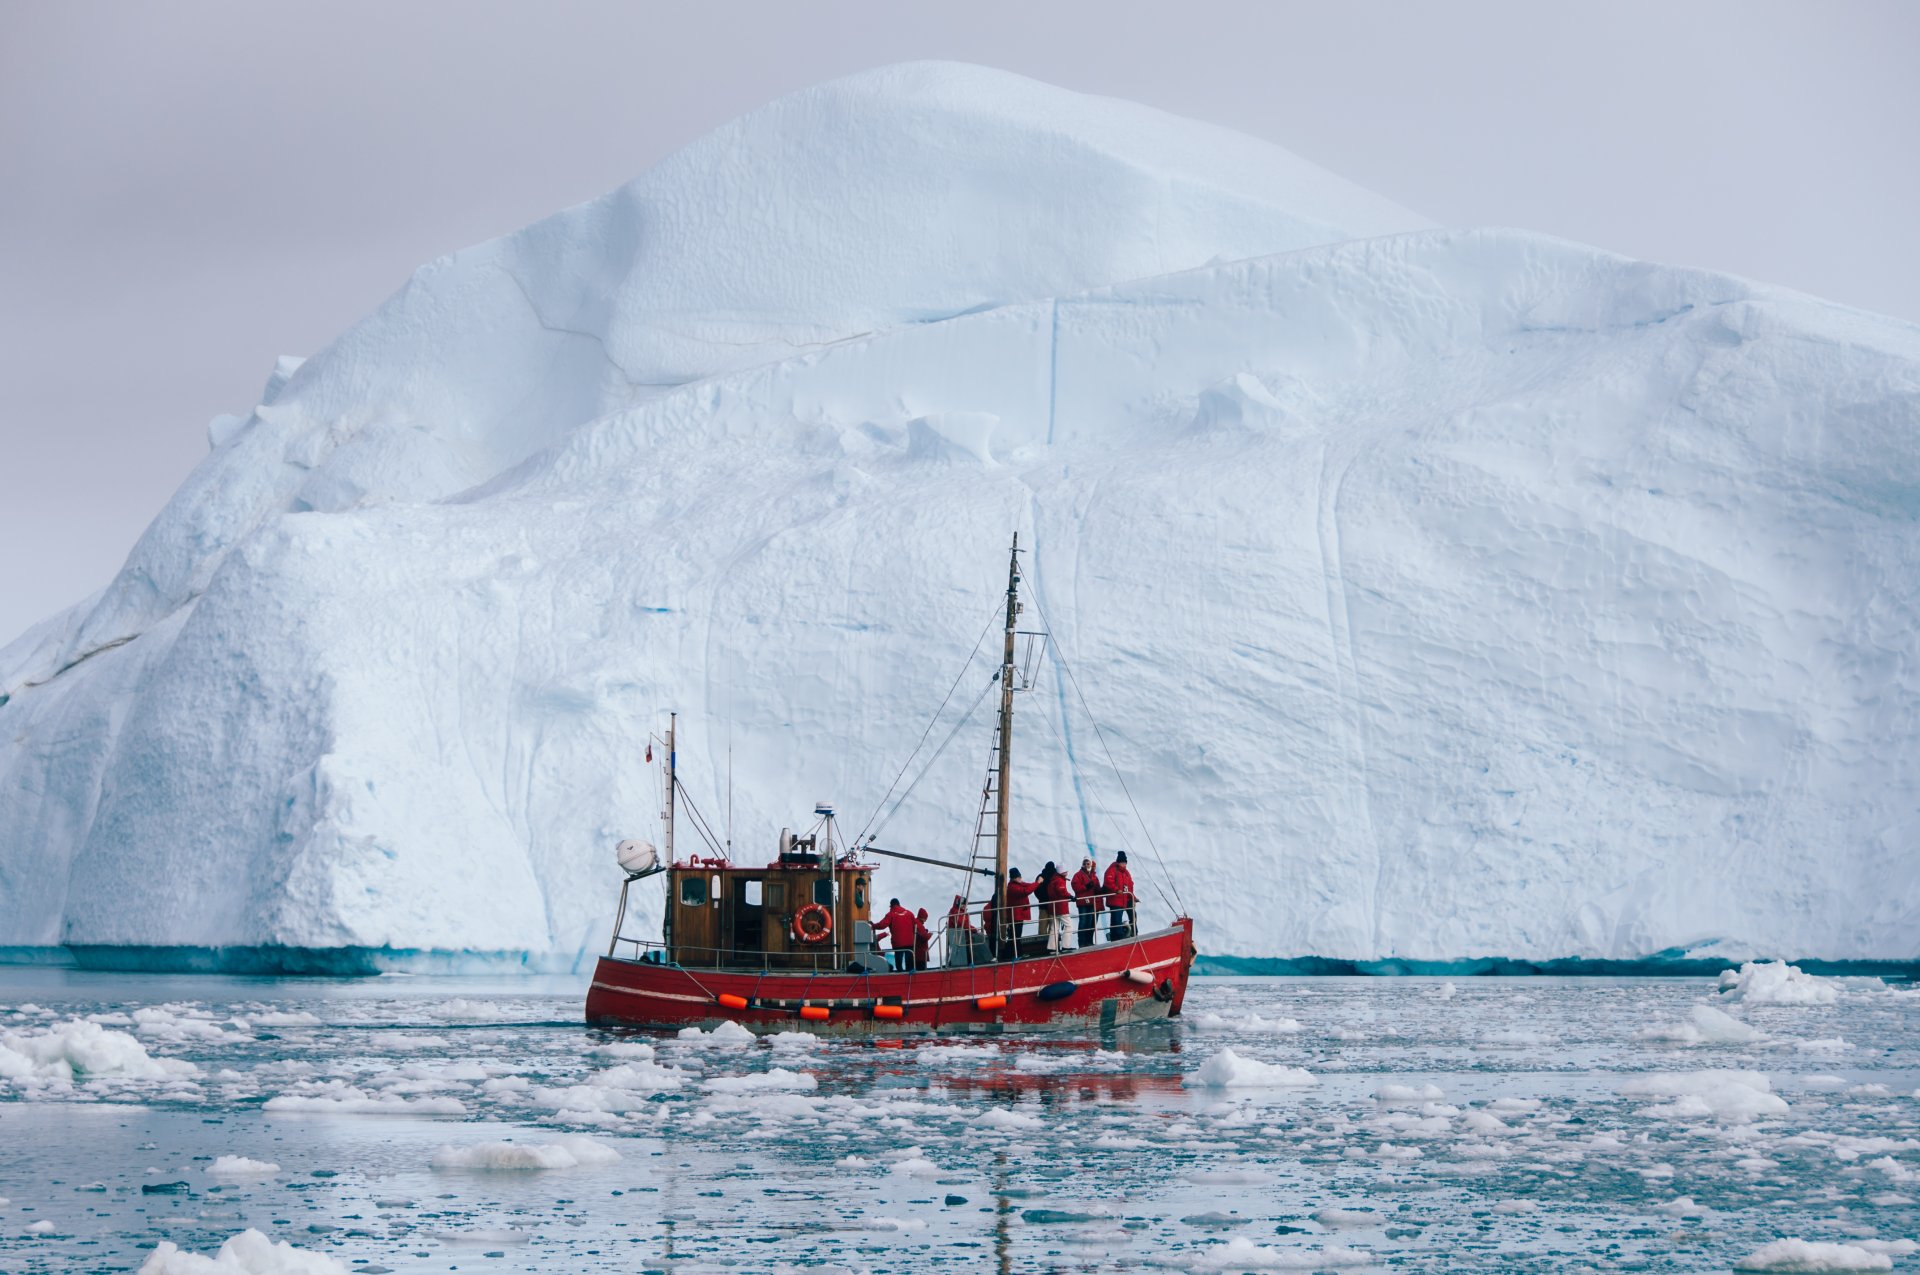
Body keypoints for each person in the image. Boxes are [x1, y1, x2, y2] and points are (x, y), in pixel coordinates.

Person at [1037, 862, 1072, 953]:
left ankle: (1051, 948)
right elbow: (1062, 891)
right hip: (1060, 906)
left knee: (1054, 927)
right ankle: (1065, 946)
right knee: (1069, 926)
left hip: (1052, 906)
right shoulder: (1059, 880)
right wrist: (1070, 896)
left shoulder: (1053, 879)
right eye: (1065, 870)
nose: (1067, 872)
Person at [1071, 855, 1104, 948]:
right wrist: (1086, 887)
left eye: (1088, 863)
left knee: (1090, 922)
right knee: (1083, 922)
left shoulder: (1093, 876)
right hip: (1083, 903)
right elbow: (1075, 887)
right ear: (1082, 864)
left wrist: (1104, 889)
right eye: (1085, 863)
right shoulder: (1078, 875)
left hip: (1090, 902)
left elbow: (1097, 889)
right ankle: (1082, 943)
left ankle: (1089, 941)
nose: (1086, 864)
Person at [1102, 851, 1136, 942]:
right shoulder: (1112, 869)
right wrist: (1116, 889)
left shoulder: (1126, 873)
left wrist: (1133, 897)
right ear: (1118, 862)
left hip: (1123, 899)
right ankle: (1117, 938)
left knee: (1129, 915)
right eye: (1122, 863)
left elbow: (1130, 885)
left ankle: (1132, 932)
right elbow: (1108, 882)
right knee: (1116, 919)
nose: (1123, 865)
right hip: (1115, 899)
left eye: (1125, 863)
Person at [878, 897, 918, 971]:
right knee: (909, 964)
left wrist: (873, 926)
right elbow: (915, 926)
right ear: (899, 905)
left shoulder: (891, 914)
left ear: (891, 906)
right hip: (909, 942)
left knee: (899, 964)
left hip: (898, 943)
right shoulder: (910, 913)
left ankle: (900, 973)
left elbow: (882, 925)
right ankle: (910, 977)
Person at [1003, 868, 1039, 950]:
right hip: (1015, 916)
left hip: (1017, 915)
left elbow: (1028, 886)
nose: (1020, 878)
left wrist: (1037, 884)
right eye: (1018, 877)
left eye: (1020, 877)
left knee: (1015, 936)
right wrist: (1037, 883)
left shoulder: (1017, 884)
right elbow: (1026, 891)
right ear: (1014, 878)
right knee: (1015, 936)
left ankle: (1013, 953)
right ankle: (1013, 953)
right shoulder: (1013, 888)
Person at [945, 894, 977, 966]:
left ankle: (969, 960)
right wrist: (973, 929)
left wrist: (971, 928)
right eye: (963, 904)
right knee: (975, 940)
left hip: (960, 934)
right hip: (958, 935)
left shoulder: (959, 911)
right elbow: (961, 924)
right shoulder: (956, 912)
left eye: (964, 904)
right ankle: (970, 961)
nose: (964, 906)